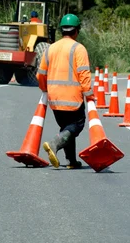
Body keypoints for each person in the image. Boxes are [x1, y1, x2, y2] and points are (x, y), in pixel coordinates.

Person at [38, 14, 94, 169]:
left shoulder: (50, 49)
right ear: (76, 31)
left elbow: (40, 74)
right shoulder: (79, 49)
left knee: (66, 128)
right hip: (72, 99)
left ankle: (71, 161)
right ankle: (54, 143)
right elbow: (84, 75)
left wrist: (45, 89)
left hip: (54, 99)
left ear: (61, 30)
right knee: (77, 124)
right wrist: (89, 94)